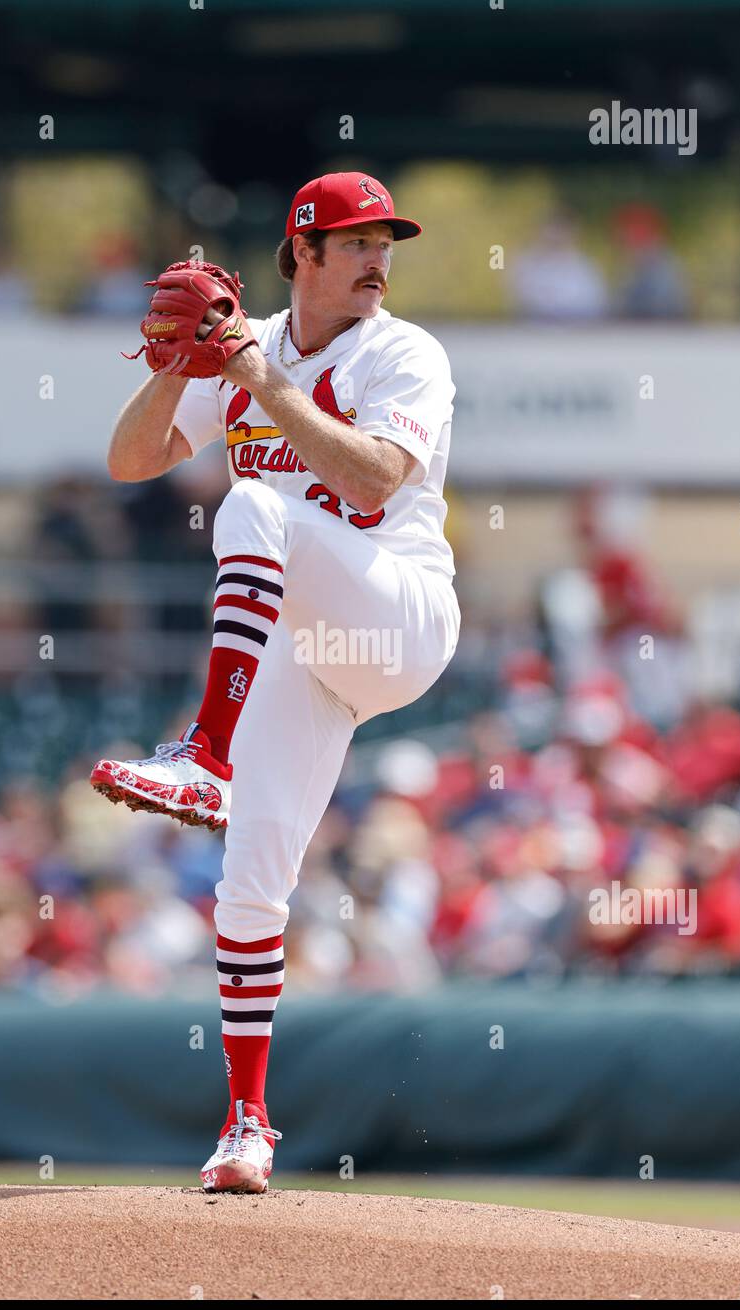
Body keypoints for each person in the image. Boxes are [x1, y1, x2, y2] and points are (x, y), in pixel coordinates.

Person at [89, 172, 461, 1193]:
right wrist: (175, 367)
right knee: (250, 880)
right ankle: (246, 1123)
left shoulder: (401, 352)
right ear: (301, 252)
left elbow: (373, 479)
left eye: (385, 242)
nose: (377, 259)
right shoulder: (245, 346)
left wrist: (255, 377)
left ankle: (203, 753)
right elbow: (129, 459)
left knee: (252, 504)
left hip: (398, 615)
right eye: (355, 242)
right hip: (306, 644)